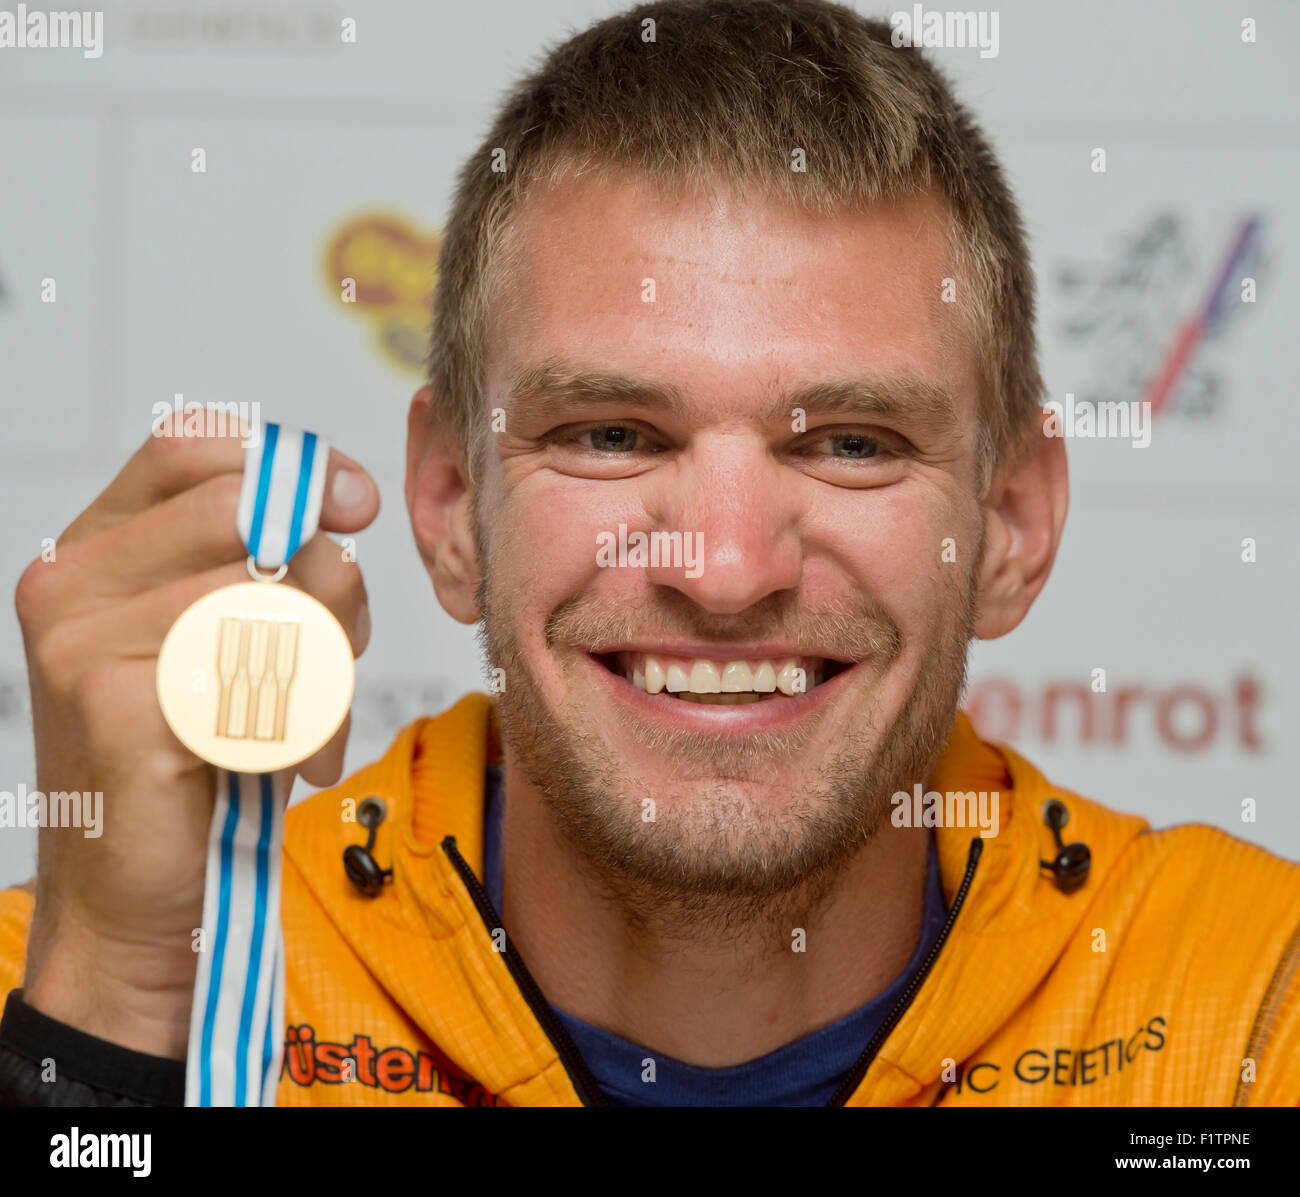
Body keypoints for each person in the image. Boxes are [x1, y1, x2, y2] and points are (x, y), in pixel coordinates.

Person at [1, 0, 1296, 1107]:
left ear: (1011, 522)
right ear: (450, 503)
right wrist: (113, 1013)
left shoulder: (1244, 1010)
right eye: (612, 431)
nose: (727, 569)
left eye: (850, 442)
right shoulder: (70, 979)